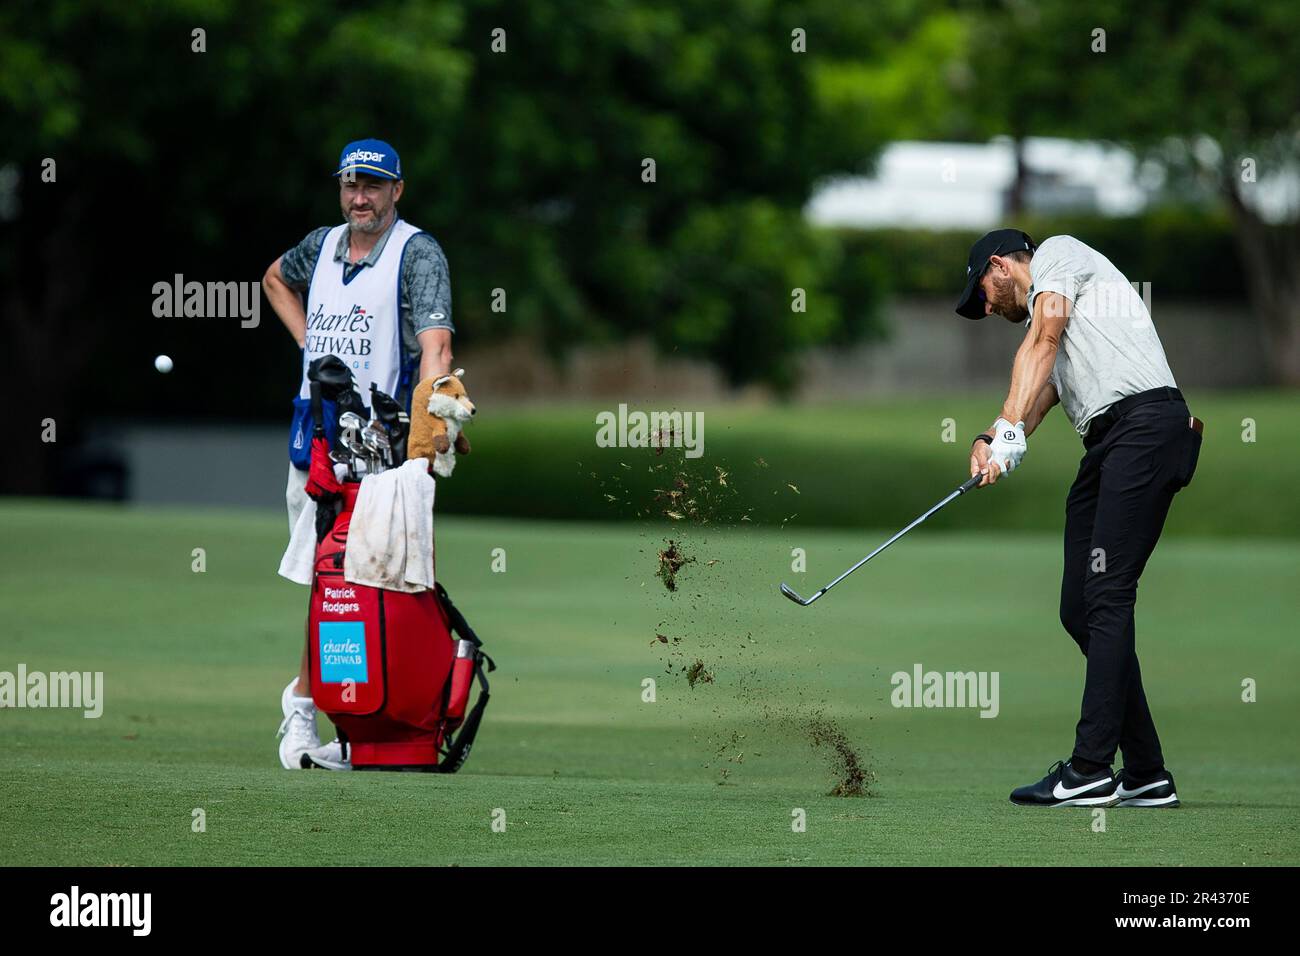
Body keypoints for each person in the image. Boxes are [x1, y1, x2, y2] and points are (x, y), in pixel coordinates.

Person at [955, 229, 1202, 808]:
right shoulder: (1051, 317)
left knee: (1108, 593)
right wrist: (997, 434)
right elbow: (1042, 392)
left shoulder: (1058, 255)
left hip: (1148, 428)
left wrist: (1010, 426)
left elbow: (1042, 338)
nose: (986, 308)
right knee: (1079, 606)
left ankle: (1091, 766)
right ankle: (1145, 772)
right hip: (1111, 445)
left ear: (1001, 265)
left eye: (983, 294)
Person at [263, 138, 455, 769]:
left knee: (372, 581)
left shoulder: (417, 252)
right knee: (330, 583)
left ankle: (353, 721)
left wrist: (426, 441)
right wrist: (306, 346)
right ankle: (318, 714)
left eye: (373, 186)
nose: (360, 197)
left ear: (397, 190)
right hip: (317, 441)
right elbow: (274, 279)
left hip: (386, 447)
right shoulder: (320, 246)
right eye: (351, 185)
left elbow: (436, 350)